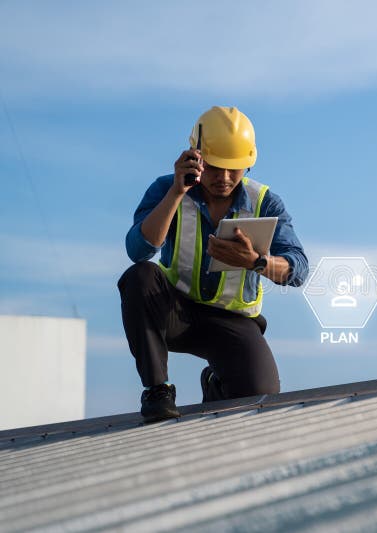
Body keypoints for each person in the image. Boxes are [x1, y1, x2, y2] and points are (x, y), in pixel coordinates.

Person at [118, 106, 308, 423]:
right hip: (174, 314)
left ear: (249, 162)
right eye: (215, 167)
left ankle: (216, 383)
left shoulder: (265, 201)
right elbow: (138, 250)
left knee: (262, 394)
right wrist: (177, 192)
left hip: (231, 324)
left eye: (235, 169)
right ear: (197, 157)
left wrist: (257, 262)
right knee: (139, 277)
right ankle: (157, 390)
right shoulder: (167, 189)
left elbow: (298, 269)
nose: (224, 178)